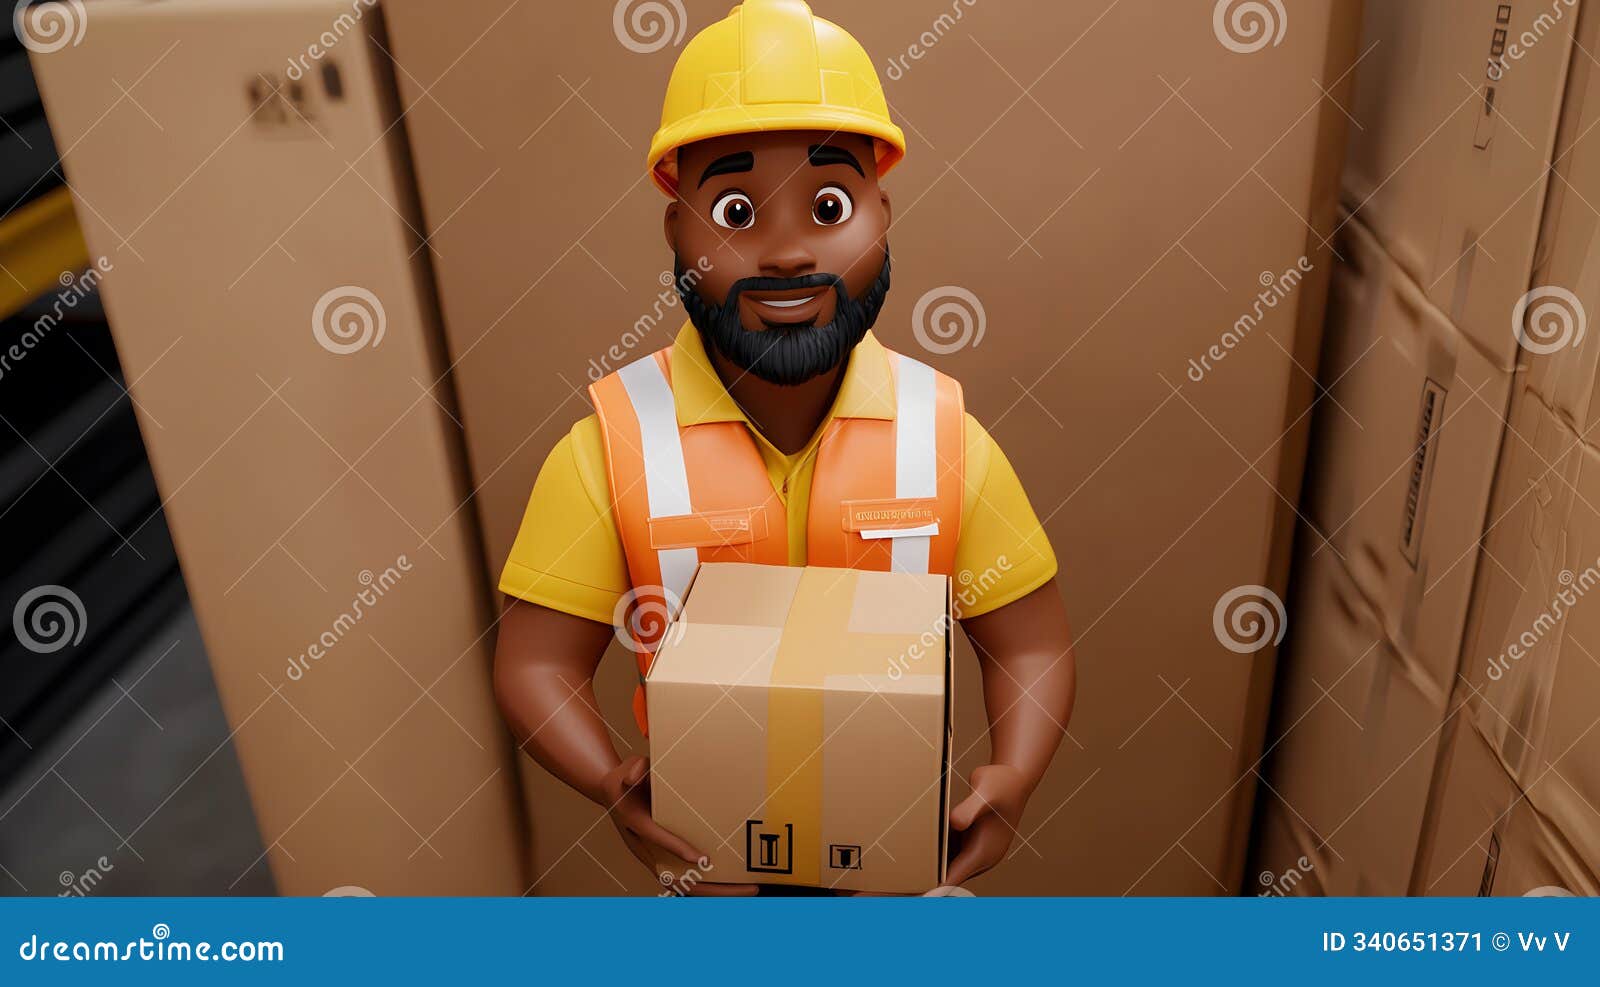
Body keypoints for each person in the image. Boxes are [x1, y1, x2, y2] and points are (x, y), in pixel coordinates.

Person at [492, 0, 1075, 894]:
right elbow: (536, 662)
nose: (790, 251)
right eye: (735, 209)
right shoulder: (609, 447)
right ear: (676, 229)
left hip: (900, 870)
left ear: (881, 211)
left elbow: (1028, 646)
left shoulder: (945, 436)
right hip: (712, 869)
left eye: (829, 205)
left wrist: (1015, 773)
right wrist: (609, 780)